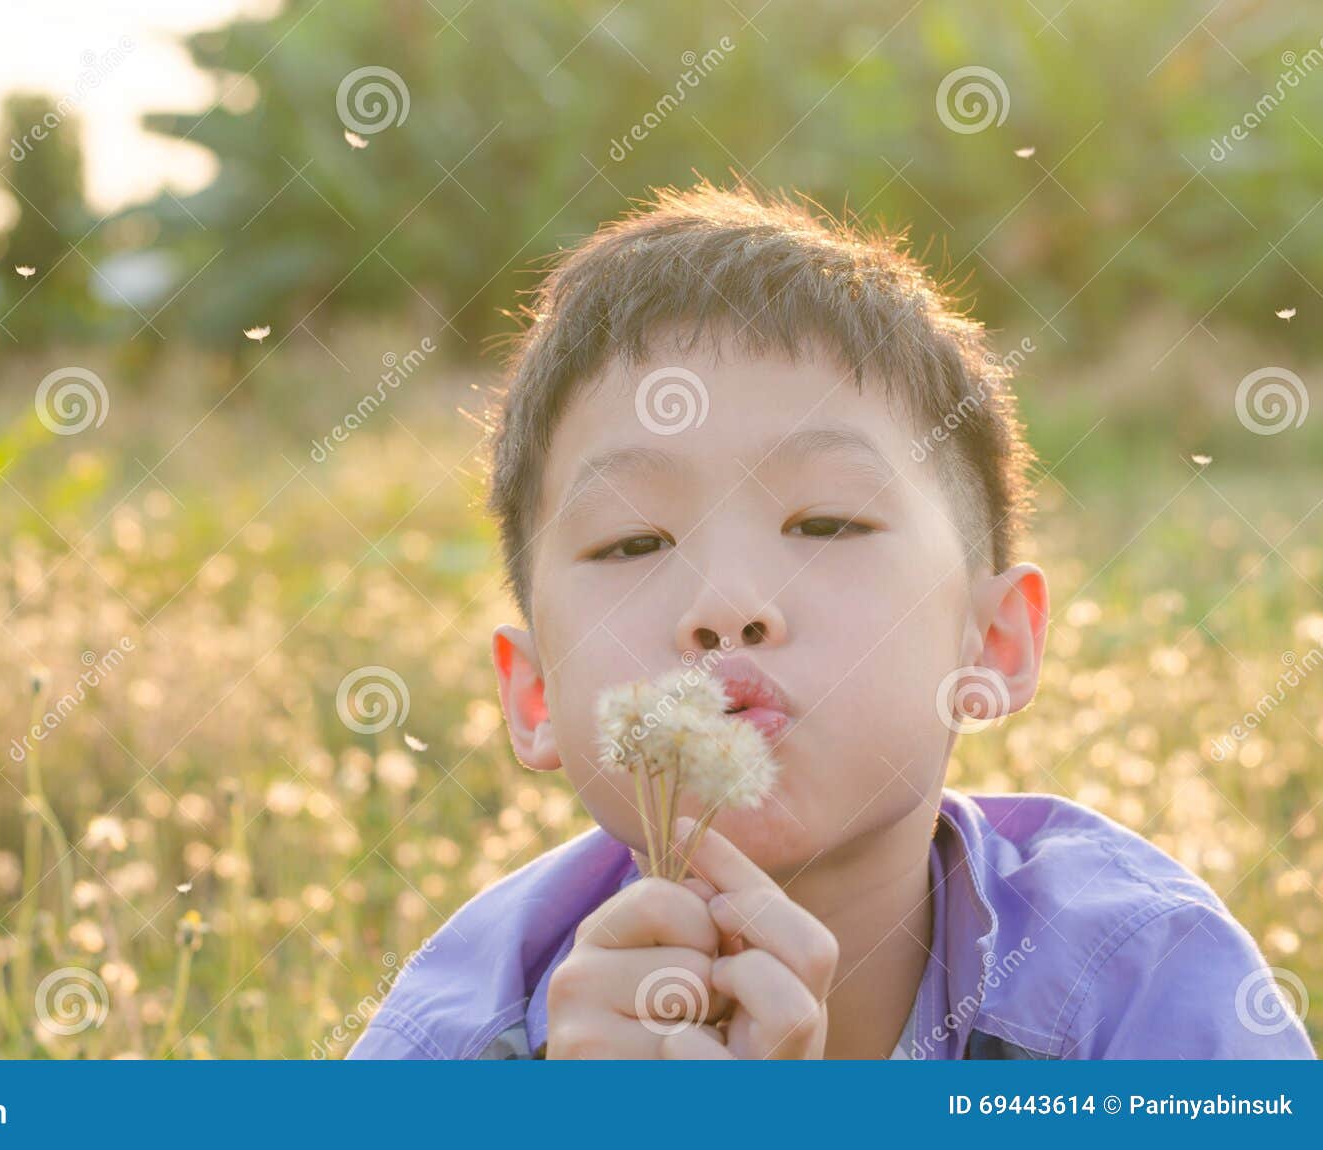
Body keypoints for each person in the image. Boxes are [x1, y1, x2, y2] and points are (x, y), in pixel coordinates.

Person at [345, 182, 1316, 1060]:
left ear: (992, 643)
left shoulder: (1148, 995)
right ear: (534, 696)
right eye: (632, 543)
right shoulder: (453, 1046)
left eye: (826, 524)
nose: (725, 606)